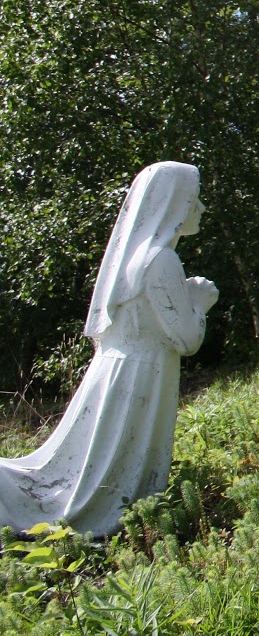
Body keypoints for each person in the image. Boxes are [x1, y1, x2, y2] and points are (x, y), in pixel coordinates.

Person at [0, 162, 218, 536]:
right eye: (193, 200)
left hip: (120, 366)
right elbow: (187, 340)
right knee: (106, 476)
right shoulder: (160, 258)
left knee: (88, 462)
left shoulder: (137, 256)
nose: (198, 209)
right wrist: (199, 303)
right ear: (174, 204)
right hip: (139, 374)